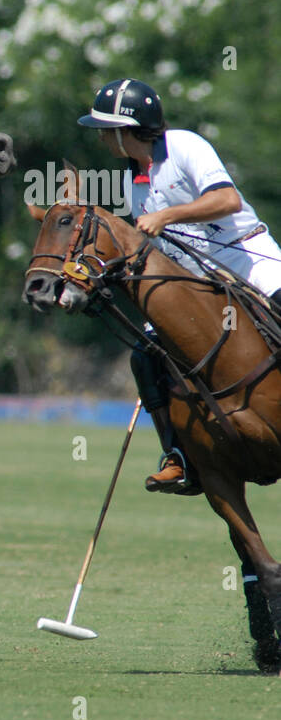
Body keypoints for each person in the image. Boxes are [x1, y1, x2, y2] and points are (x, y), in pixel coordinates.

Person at [78, 77, 281, 493]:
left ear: (125, 129)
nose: (100, 137)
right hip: (195, 282)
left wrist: (167, 216)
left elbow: (227, 201)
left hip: (247, 258)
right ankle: (180, 457)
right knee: (146, 356)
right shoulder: (128, 180)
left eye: (104, 128)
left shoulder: (185, 146)